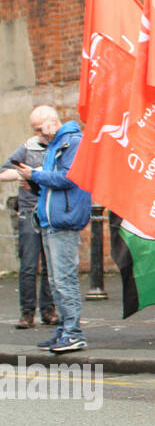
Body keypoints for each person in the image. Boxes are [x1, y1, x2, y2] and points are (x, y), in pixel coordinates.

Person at [16, 106, 91, 353]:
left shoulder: (72, 143)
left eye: (39, 129)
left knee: (64, 279)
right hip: (51, 220)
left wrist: (35, 176)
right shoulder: (55, 146)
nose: (38, 134)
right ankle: (64, 330)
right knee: (56, 280)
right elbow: (50, 185)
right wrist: (33, 182)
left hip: (64, 221)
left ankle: (73, 333)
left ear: (51, 121)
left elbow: (69, 178)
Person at [1, 132, 55, 329]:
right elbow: (3, 172)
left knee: (50, 266)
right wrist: (23, 174)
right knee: (29, 265)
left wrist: (38, 174)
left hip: (50, 211)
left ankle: (48, 311)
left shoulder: (59, 149)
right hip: (29, 211)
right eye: (38, 129)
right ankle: (27, 312)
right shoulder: (27, 148)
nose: (42, 133)